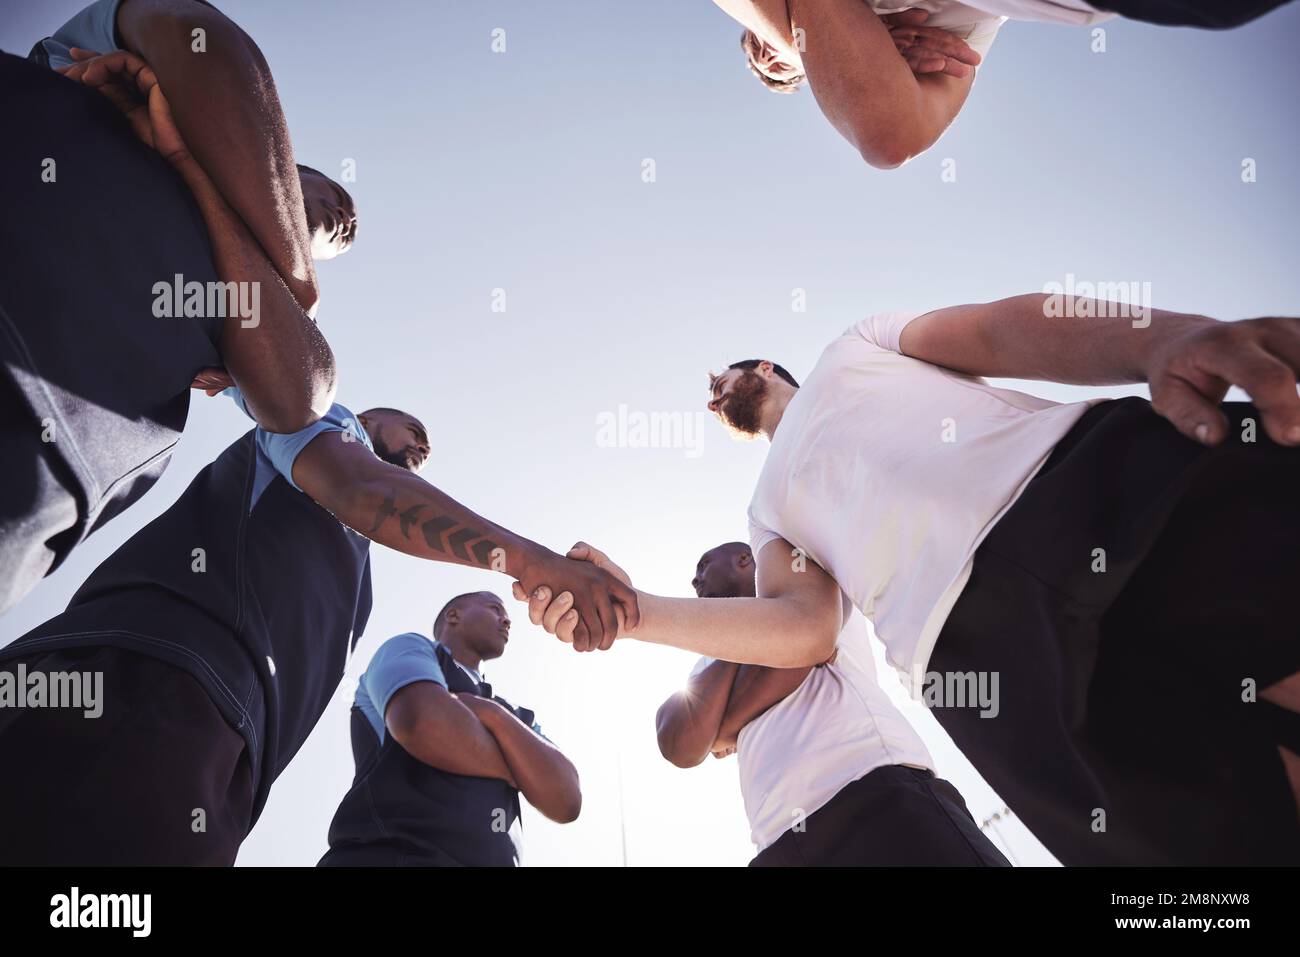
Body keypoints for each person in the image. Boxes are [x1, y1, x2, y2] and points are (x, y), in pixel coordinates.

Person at [521, 296, 1300, 865]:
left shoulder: (853, 347)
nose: (713, 390)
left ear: (761, 369)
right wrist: (631, 613)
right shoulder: (767, 514)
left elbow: (997, 328)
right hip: (972, 652)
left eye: (719, 377)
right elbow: (806, 628)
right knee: (1218, 854)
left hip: (1073, 480)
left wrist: (1162, 339)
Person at [0, 387, 632, 864]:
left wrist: (488, 717)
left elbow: (565, 798)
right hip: (148, 675)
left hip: (229, 771)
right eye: (413, 432)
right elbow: (358, 486)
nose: (421, 450)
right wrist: (531, 561)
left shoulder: (361, 584)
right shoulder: (324, 418)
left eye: (426, 451)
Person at [0, 0, 357, 614]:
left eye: (343, 236)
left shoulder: (289, 311)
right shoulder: (116, 71)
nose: (347, 222)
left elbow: (300, 395)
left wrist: (190, 167)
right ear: (286, 158)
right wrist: (294, 280)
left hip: (40, 467)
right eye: (336, 198)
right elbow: (197, 35)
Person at [656, 542, 1008, 866]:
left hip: (875, 792)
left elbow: (796, 664)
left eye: (703, 566)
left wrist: (719, 728)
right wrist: (730, 642)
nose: (694, 579)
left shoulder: (805, 589)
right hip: (778, 844)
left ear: (745, 559)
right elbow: (678, 744)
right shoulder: (702, 665)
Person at [720, 0, 1294, 168]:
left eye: (763, 44)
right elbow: (887, 136)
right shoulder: (933, 37)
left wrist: (808, 41)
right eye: (790, 72)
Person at [320, 593, 581, 867]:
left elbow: (567, 799)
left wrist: (493, 714)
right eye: (494, 609)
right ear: (453, 615)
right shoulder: (410, 649)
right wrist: (524, 770)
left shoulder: (516, 714)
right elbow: (421, 723)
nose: (506, 620)